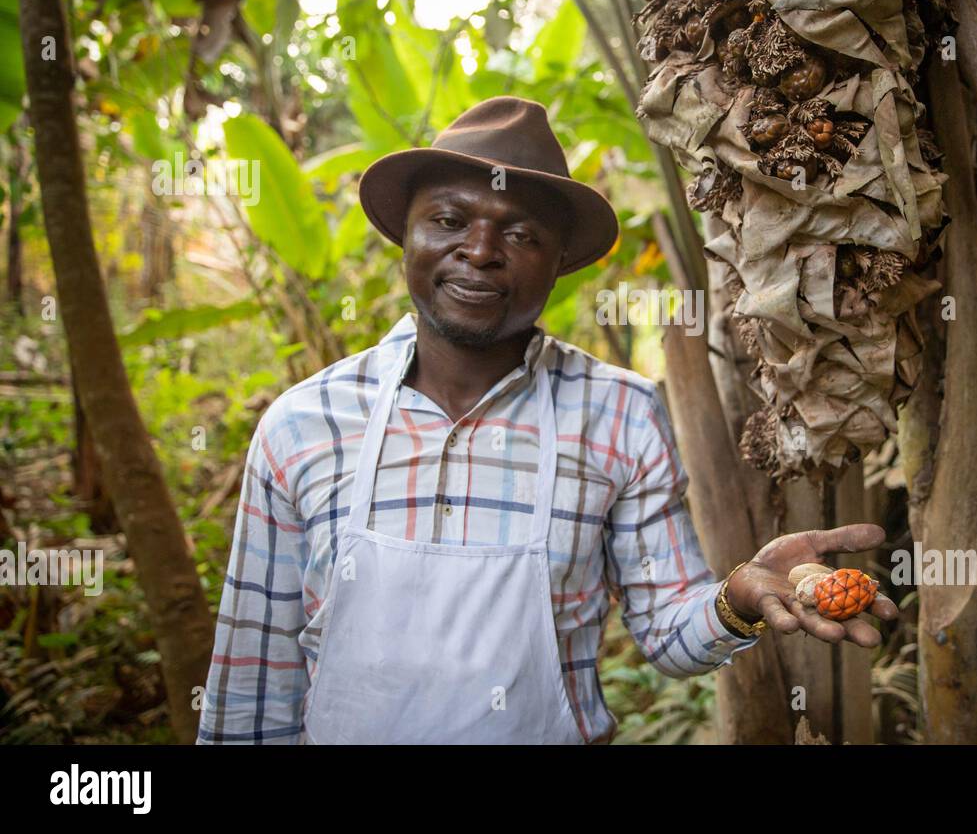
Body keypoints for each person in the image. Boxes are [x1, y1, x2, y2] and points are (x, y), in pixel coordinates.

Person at [197, 96, 895, 744]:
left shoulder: (618, 414)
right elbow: (254, 675)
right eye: (447, 220)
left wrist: (736, 598)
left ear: (560, 262)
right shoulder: (304, 423)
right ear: (402, 234)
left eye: (520, 233)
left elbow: (665, 633)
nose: (478, 250)